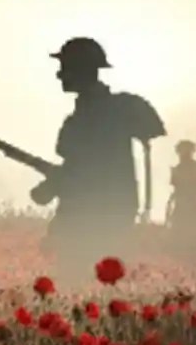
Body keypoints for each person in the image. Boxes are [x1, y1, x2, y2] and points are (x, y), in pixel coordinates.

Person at [29, 37, 166, 288]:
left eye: (65, 67)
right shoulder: (105, 111)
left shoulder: (102, 114)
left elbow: (85, 173)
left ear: (80, 70)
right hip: (106, 211)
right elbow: (79, 171)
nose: (59, 74)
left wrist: (55, 186)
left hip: (96, 215)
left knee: (85, 284)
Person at [165, 139, 196, 239]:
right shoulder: (179, 168)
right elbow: (175, 187)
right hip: (182, 204)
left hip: (194, 204)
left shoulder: (195, 167)